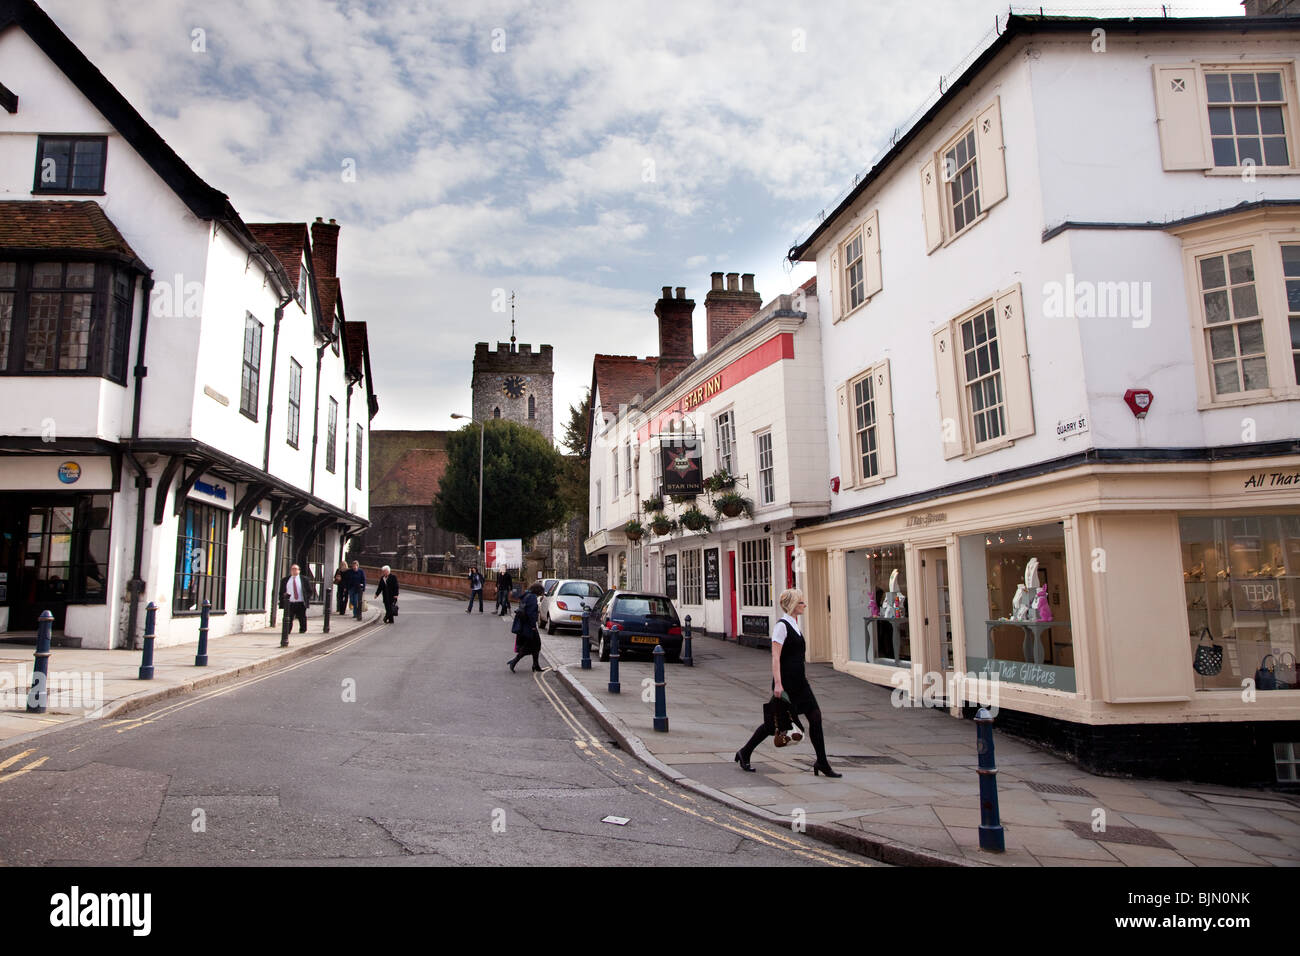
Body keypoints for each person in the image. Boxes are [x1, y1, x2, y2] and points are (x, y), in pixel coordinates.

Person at [735, 588, 840, 777]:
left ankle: (822, 762)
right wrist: (778, 684)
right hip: (787, 684)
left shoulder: (795, 625)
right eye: (801, 602)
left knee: (815, 717)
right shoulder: (782, 626)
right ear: (792, 605)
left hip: (801, 683)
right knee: (774, 725)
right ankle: (745, 752)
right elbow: (775, 657)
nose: (804, 605)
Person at [507, 582, 545, 672]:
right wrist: (533, 626)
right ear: (538, 591)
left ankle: (535, 665)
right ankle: (514, 662)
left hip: (523, 625)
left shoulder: (526, 595)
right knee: (531, 646)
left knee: (535, 645)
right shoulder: (532, 598)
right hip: (529, 626)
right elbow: (531, 613)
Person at [278, 563, 314, 647]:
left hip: (300, 601)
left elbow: (309, 590)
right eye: (292, 569)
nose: (294, 571)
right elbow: (282, 591)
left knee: (302, 616)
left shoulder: (304, 579)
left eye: (295, 569)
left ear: (299, 570)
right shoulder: (285, 580)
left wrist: (306, 598)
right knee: (288, 617)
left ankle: (303, 629)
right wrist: (283, 599)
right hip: (290, 602)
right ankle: (287, 630)